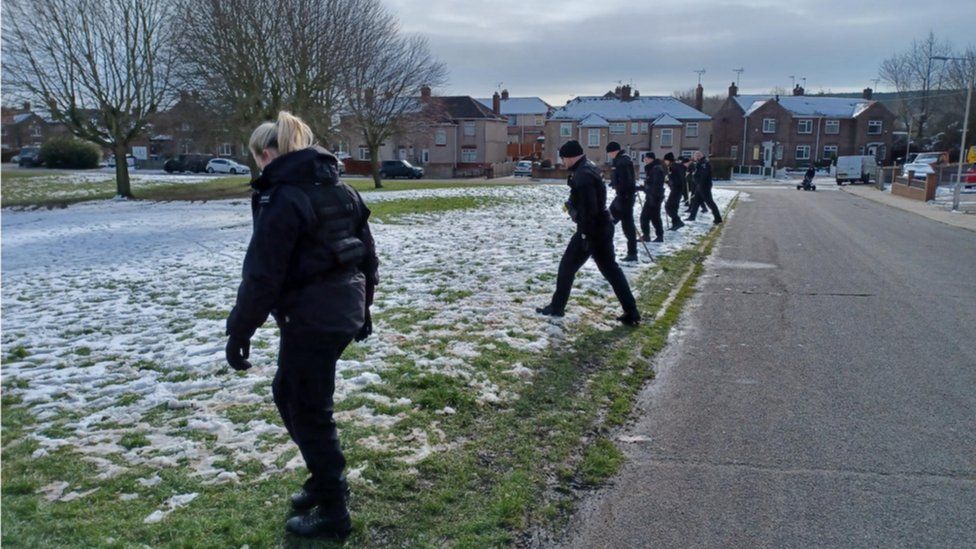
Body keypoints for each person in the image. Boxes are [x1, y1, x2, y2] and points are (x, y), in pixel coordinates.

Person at [225, 111, 379, 540]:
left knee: (309, 411)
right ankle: (321, 476)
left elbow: (262, 275)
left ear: (269, 154)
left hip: (313, 318)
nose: (257, 167)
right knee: (290, 393)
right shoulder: (341, 189)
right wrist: (363, 309)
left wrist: (239, 332)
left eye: (257, 158)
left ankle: (334, 509)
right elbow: (368, 257)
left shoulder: (283, 197)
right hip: (338, 312)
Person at [536, 140, 641, 326]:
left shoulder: (583, 175)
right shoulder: (588, 167)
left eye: (563, 158)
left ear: (569, 157)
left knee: (567, 267)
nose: (563, 162)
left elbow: (589, 209)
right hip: (603, 226)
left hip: (591, 230)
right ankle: (631, 311)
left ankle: (557, 307)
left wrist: (578, 221)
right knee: (611, 270)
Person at [606, 141, 638, 262]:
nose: (609, 155)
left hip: (624, 198)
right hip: (622, 197)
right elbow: (620, 178)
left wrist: (623, 193)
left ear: (614, 151)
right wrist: (614, 183)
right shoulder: (620, 160)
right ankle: (603, 250)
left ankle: (632, 253)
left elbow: (626, 180)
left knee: (627, 226)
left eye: (609, 152)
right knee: (608, 220)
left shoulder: (622, 162)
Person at [685, 151, 723, 224]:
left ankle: (718, 219)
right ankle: (692, 217)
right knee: (696, 202)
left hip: (704, 186)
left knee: (710, 202)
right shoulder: (700, 163)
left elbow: (704, 175)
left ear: (699, 156)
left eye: (695, 156)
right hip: (700, 186)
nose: (694, 158)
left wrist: (699, 184)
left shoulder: (704, 163)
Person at [639, 152, 665, 243]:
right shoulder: (652, 168)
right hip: (653, 196)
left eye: (645, 158)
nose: (644, 160)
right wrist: (640, 188)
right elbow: (650, 184)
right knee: (655, 217)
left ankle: (649, 236)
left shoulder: (656, 169)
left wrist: (653, 195)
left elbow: (656, 185)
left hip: (654, 197)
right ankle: (657, 236)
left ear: (651, 159)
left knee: (645, 217)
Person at [662, 152, 685, 231]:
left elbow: (676, 180)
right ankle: (675, 224)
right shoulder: (675, 166)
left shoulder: (673, 167)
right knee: (673, 208)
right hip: (677, 190)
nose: (665, 162)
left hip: (676, 190)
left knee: (668, 207)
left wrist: (668, 180)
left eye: (665, 160)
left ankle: (678, 222)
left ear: (669, 160)